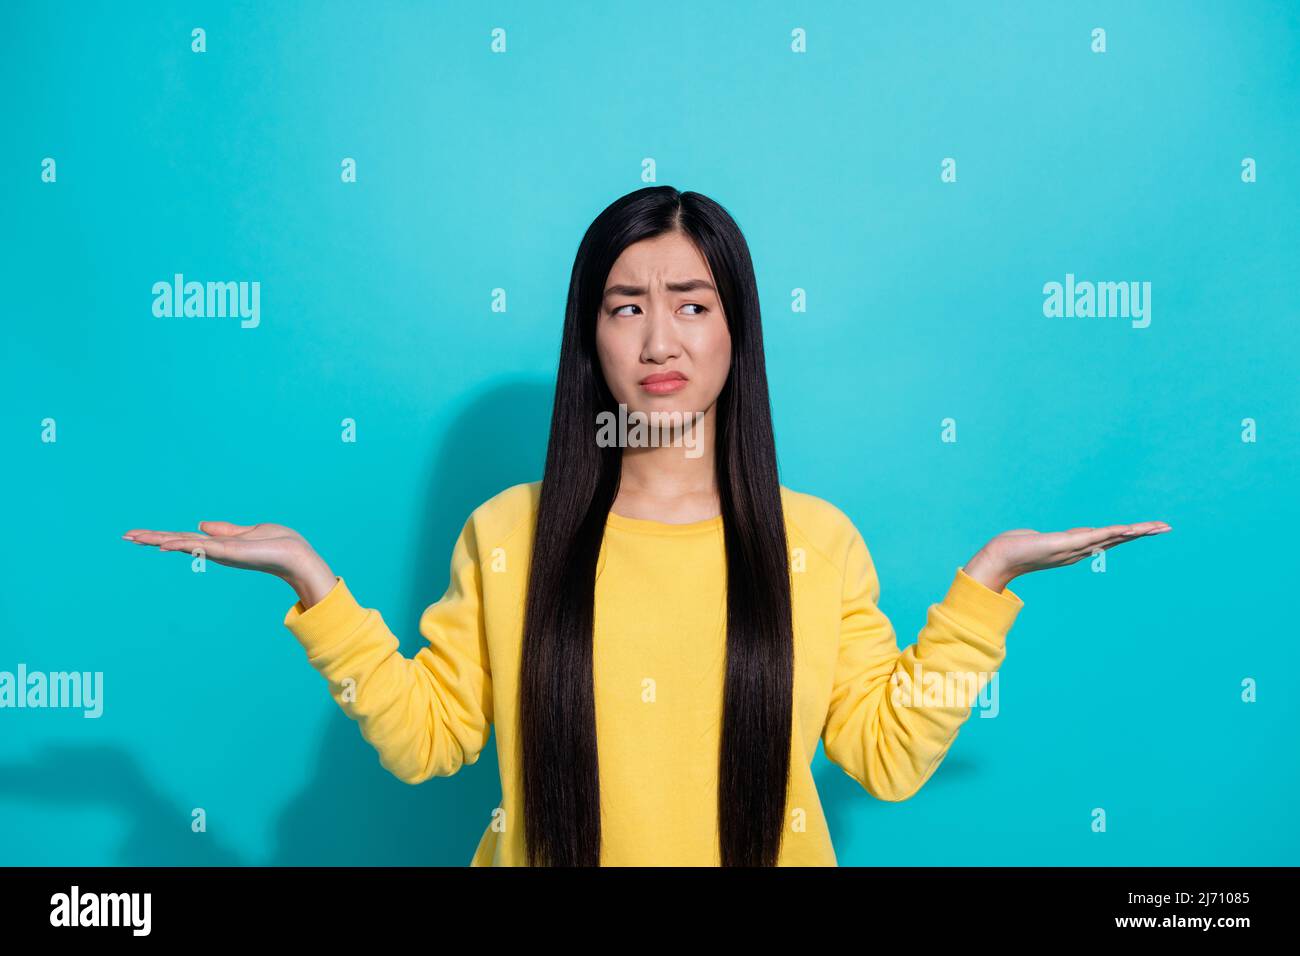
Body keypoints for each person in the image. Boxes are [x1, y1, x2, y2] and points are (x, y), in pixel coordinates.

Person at [123, 186, 1171, 866]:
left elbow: (885, 753)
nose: (659, 335)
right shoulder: (509, 532)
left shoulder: (815, 542)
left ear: (735, 332)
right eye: (626, 304)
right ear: (591, 336)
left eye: (692, 302)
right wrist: (313, 583)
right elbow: (427, 740)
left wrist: (985, 584)